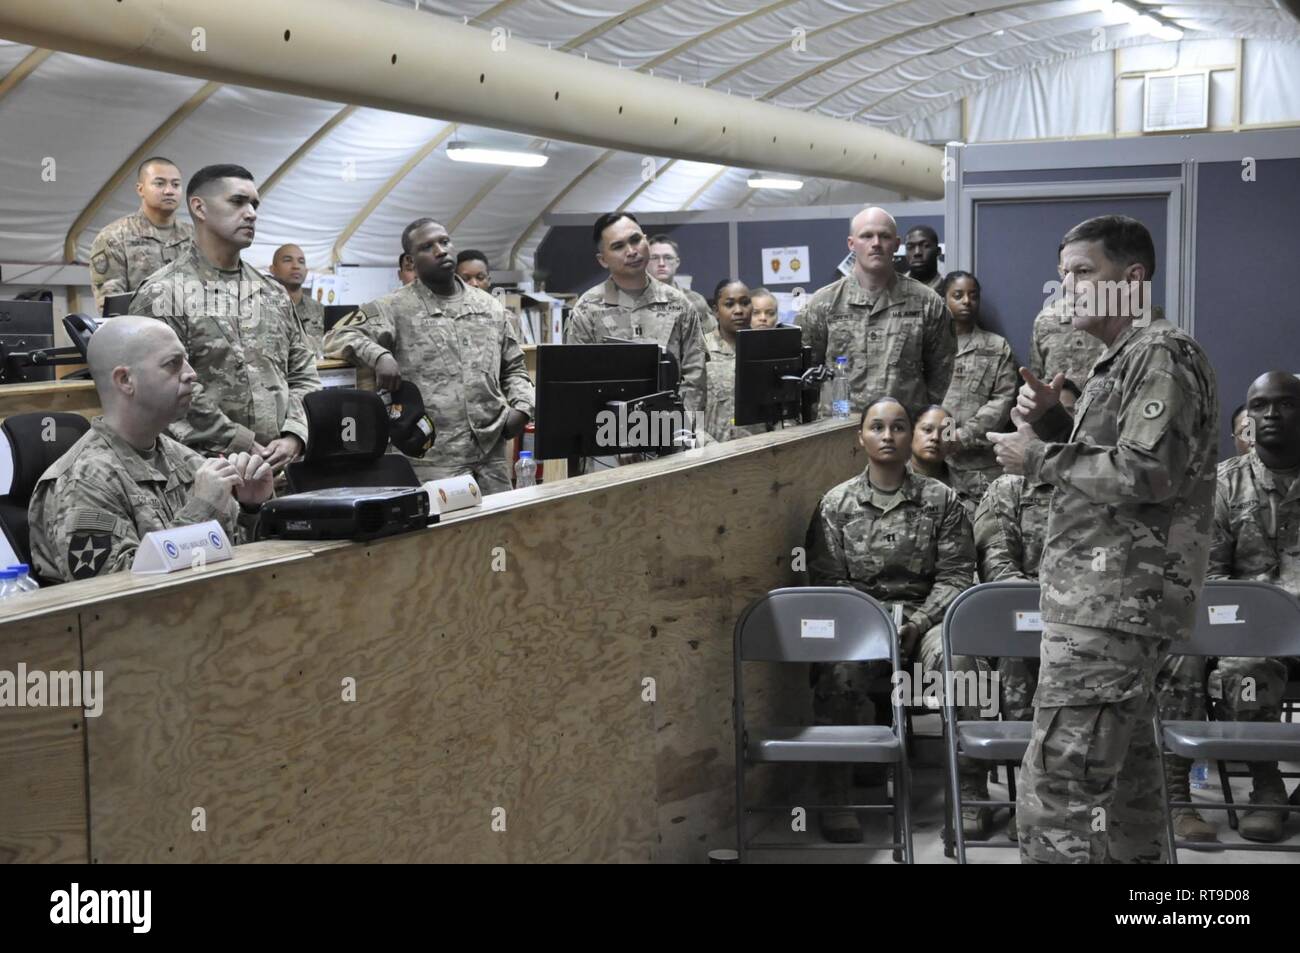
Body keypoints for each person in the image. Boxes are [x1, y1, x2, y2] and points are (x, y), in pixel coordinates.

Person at [987, 214, 1218, 864]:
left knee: (1054, 790)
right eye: (1063, 275)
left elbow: (1149, 473)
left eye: (1084, 272)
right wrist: (1060, 422)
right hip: (1107, 606)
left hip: (1111, 610)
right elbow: (1116, 464)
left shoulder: (1159, 354)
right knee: (1131, 796)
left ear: (1133, 278)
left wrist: (1035, 456)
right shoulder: (1121, 360)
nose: (1068, 288)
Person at [807, 396, 982, 842]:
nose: (888, 436)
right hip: (864, 627)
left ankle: (970, 793)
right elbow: (830, 583)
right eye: (878, 427)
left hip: (927, 623)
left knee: (960, 664)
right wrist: (878, 626)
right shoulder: (837, 504)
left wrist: (918, 623)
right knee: (837, 667)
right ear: (860, 437)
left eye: (899, 427)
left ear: (911, 437)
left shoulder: (941, 500)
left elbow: (958, 575)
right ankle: (837, 800)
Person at [27, 316, 272, 583]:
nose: (191, 373)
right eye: (173, 364)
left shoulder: (188, 461)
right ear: (125, 380)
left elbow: (243, 560)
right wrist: (201, 509)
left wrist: (252, 507)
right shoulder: (83, 481)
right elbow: (116, 595)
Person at [128, 164, 321, 470]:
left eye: (254, 204)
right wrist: (241, 442)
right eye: (237, 201)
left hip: (283, 469)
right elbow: (166, 386)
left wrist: (295, 434)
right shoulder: (164, 294)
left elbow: (302, 373)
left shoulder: (272, 293)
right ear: (199, 207)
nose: (251, 213)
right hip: (205, 472)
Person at [324, 218, 533, 493]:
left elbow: (515, 368)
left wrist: (522, 407)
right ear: (410, 262)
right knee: (444, 536)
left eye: (444, 242)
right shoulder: (394, 307)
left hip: (490, 455)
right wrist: (378, 355)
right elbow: (335, 337)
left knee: (499, 534)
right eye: (427, 247)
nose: (441, 250)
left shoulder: (489, 306)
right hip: (433, 460)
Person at [972, 381, 1079, 841]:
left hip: (1082, 626)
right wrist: (1046, 613)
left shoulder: (1093, 490)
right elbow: (999, 567)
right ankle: (1015, 798)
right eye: (1043, 419)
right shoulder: (1007, 490)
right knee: (1018, 651)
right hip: (1025, 623)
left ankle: (1067, 801)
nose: (1054, 430)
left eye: (1065, 420)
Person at [1201, 370, 1300, 842]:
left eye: (1285, 404)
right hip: (1251, 631)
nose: (1272, 415)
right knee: (1243, 670)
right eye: (1259, 406)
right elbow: (1214, 578)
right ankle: (1267, 788)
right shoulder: (1225, 481)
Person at [797, 206, 954, 421]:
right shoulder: (823, 304)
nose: (876, 243)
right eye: (867, 236)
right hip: (838, 433)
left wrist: (919, 421)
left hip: (902, 433)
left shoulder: (927, 303)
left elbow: (941, 373)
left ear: (897, 244)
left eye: (884, 236)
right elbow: (806, 373)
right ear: (851, 243)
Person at [568, 213, 705, 414]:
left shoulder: (680, 304)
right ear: (603, 260)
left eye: (635, 240)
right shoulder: (587, 309)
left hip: (673, 430)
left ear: (646, 241)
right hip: (608, 431)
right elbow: (578, 380)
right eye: (618, 246)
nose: (631, 251)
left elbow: (695, 374)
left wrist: (678, 427)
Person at [938, 271, 1018, 499]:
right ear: (944, 299)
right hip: (932, 462)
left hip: (979, 467)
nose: (966, 301)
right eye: (958, 295)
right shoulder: (928, 345)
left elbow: (1002, 400)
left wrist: (960, 437)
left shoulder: (995, 346)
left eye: (973, 295)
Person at [88, 157, 193, 313]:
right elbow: (112, 307)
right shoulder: (114, 237)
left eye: (175, 184)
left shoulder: (196, 236)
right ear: (140, 189)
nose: (169, 190)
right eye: (159, 183)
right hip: (141, 333)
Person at [700, 280, 765, 444]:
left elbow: (782, 408)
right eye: (729, 304)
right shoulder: (698, 351)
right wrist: (706, 446)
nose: (739, 311)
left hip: (760, 452)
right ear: (716, 310)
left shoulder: (765, 349)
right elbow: (685, 411)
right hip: (713, 454)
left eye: (745, 303)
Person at [909, 405, 976, 518]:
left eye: (945, 433)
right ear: (911, 434)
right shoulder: (886, 482)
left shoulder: (971, 488)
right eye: (927, 430)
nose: (935, 438)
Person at [647, 234, 715, 334]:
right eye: (654, 258)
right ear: (646, 262)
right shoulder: (634, 300)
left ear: (677, 262)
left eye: (668, 257)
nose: (661, 263)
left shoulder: (695, 301)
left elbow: (711, 338)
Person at [269, 243, 326, 359]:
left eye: (301, 261)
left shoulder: (319, 309)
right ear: (272, 269)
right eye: (287, 260)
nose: (296, 266)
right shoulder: (262, 308)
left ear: (306, 271)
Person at [904, 224, 942, 290]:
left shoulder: (949, 290)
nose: (917, 252)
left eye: (925, 246)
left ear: (938, 251)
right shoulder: (891, 289)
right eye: (910, 247)